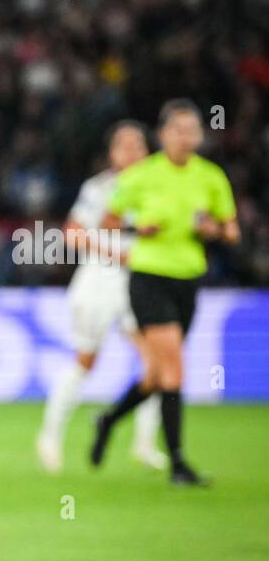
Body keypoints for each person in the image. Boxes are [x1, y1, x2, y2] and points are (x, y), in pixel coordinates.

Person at [92, 100, 240, 485]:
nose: (188, 137)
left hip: (188, 280)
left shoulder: (210, 177)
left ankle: (108, 420)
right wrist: (135, 228)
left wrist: (215, 232)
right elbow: (107, 221)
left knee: (158, 375)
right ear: (163, 134)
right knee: (174, 368)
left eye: (194, 130)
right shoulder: (142, 176)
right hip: (148, 279)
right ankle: (177, 463)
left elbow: (232, 230)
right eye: (180, 130)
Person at [37, 121, 164, 473]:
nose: (132, 151)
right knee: (85, 362)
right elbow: (72, 234)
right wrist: (114, 253)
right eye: (124, 145)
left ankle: (145, 444)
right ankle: (50, 436)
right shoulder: (99, 188)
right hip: (99, 283)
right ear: (112, 153)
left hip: (140, 283)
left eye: (138, 144)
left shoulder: (157, 189)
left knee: (156, 362)